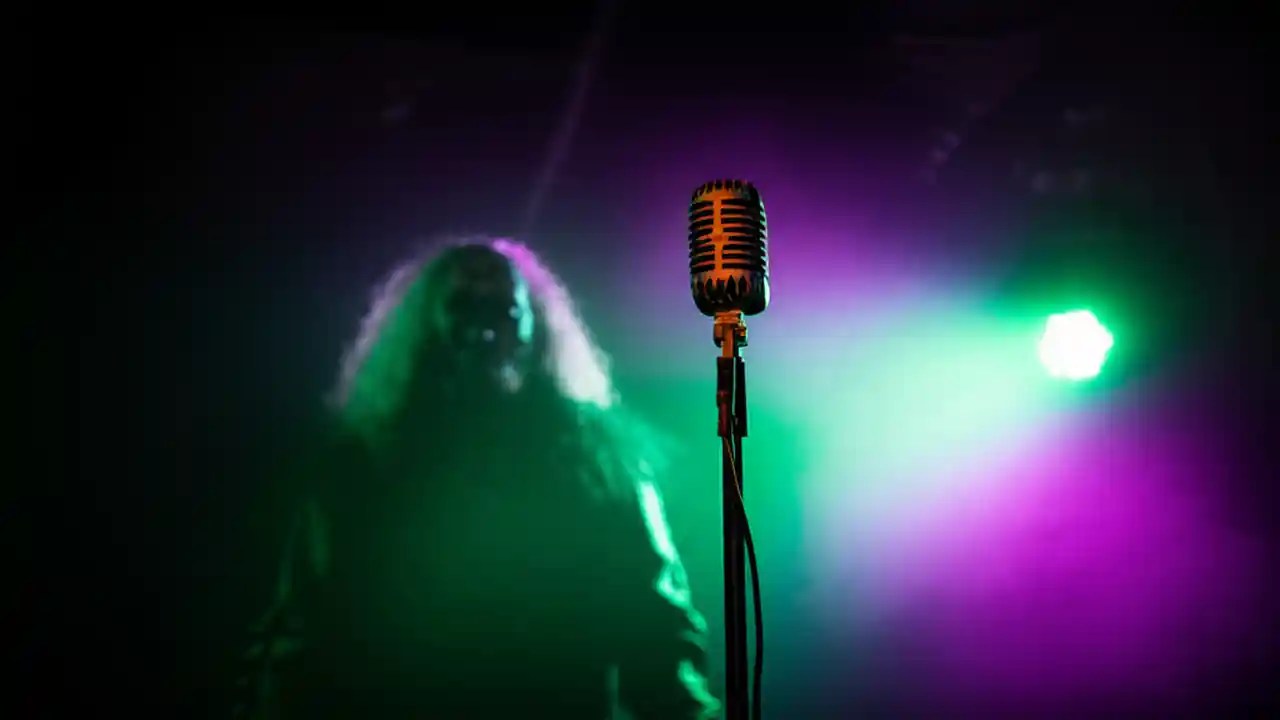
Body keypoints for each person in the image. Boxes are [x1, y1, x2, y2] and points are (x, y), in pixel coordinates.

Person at [234, 238, 721, 719]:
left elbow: (657, 634)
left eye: (502, 310)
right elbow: (301, 640)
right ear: (429, 330)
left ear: (535, 330)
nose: (485, 330)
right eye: (465, 307)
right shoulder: (360, 468)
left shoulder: (598, 462)